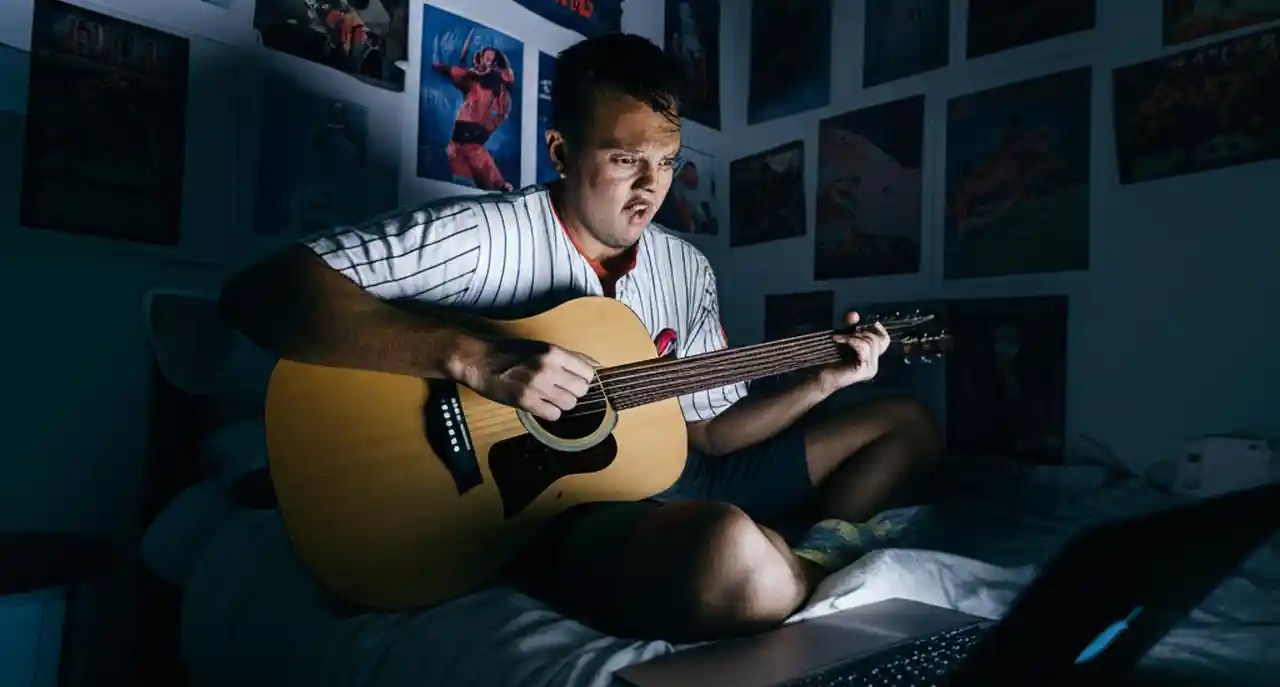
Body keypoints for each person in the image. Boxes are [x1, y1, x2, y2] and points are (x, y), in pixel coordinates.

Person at [219, 33, 941, 644]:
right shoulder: (483, 236)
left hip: (682, 468)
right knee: (732, 561)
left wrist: (823, 379)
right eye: (626, 159)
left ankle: (808, 555)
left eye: (667, 161)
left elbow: (713, 434)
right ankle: (795, 564)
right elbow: (260, 293)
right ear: (561, 151)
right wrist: (475, 357)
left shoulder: (687, 268)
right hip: (566, 501)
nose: (650, 187)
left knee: (905, 423)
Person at [431, 29, 515, 191]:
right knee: (464, 158)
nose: (486, 62)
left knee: (474, 154)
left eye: (490, 60)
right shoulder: (473, 80)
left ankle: (495, 184)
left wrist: (488, 129)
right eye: (485, 58)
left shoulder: (498, 87)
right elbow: (452, 71)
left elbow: (501, 113)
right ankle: (490, 184)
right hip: (463, 137)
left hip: (474, 134)